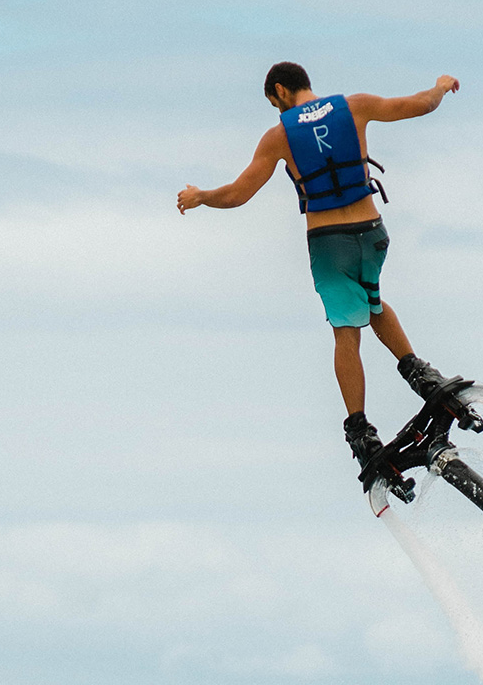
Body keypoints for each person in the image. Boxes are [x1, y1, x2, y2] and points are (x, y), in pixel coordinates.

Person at [177, 61, 461, 472]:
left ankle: (361, 431)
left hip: (330, 245)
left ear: (279, 91)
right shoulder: (356, 106)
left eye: (274, 103)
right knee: (374, 302)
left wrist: (201, 195)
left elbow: (239, 193)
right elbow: (419, 105)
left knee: (346, 332)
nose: (277, 111)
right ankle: (422, 376)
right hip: (372, 232)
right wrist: (439, 85)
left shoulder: (279, 136)